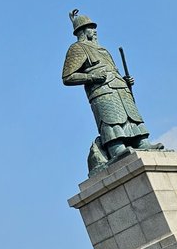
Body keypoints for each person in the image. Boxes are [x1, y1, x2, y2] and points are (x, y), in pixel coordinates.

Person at [62, 10, 162, 171]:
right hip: (102, 91)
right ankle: (116, 148)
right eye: (90, 28)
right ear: (82, 31)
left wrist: (125, 80)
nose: (94, 31)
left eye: (94, 28)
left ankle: (141, 142)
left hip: (120, 88)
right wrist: (92, 77)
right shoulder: (77, 48)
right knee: (111, 119)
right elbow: (68, 77)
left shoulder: (103, 49)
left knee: (131, 116)